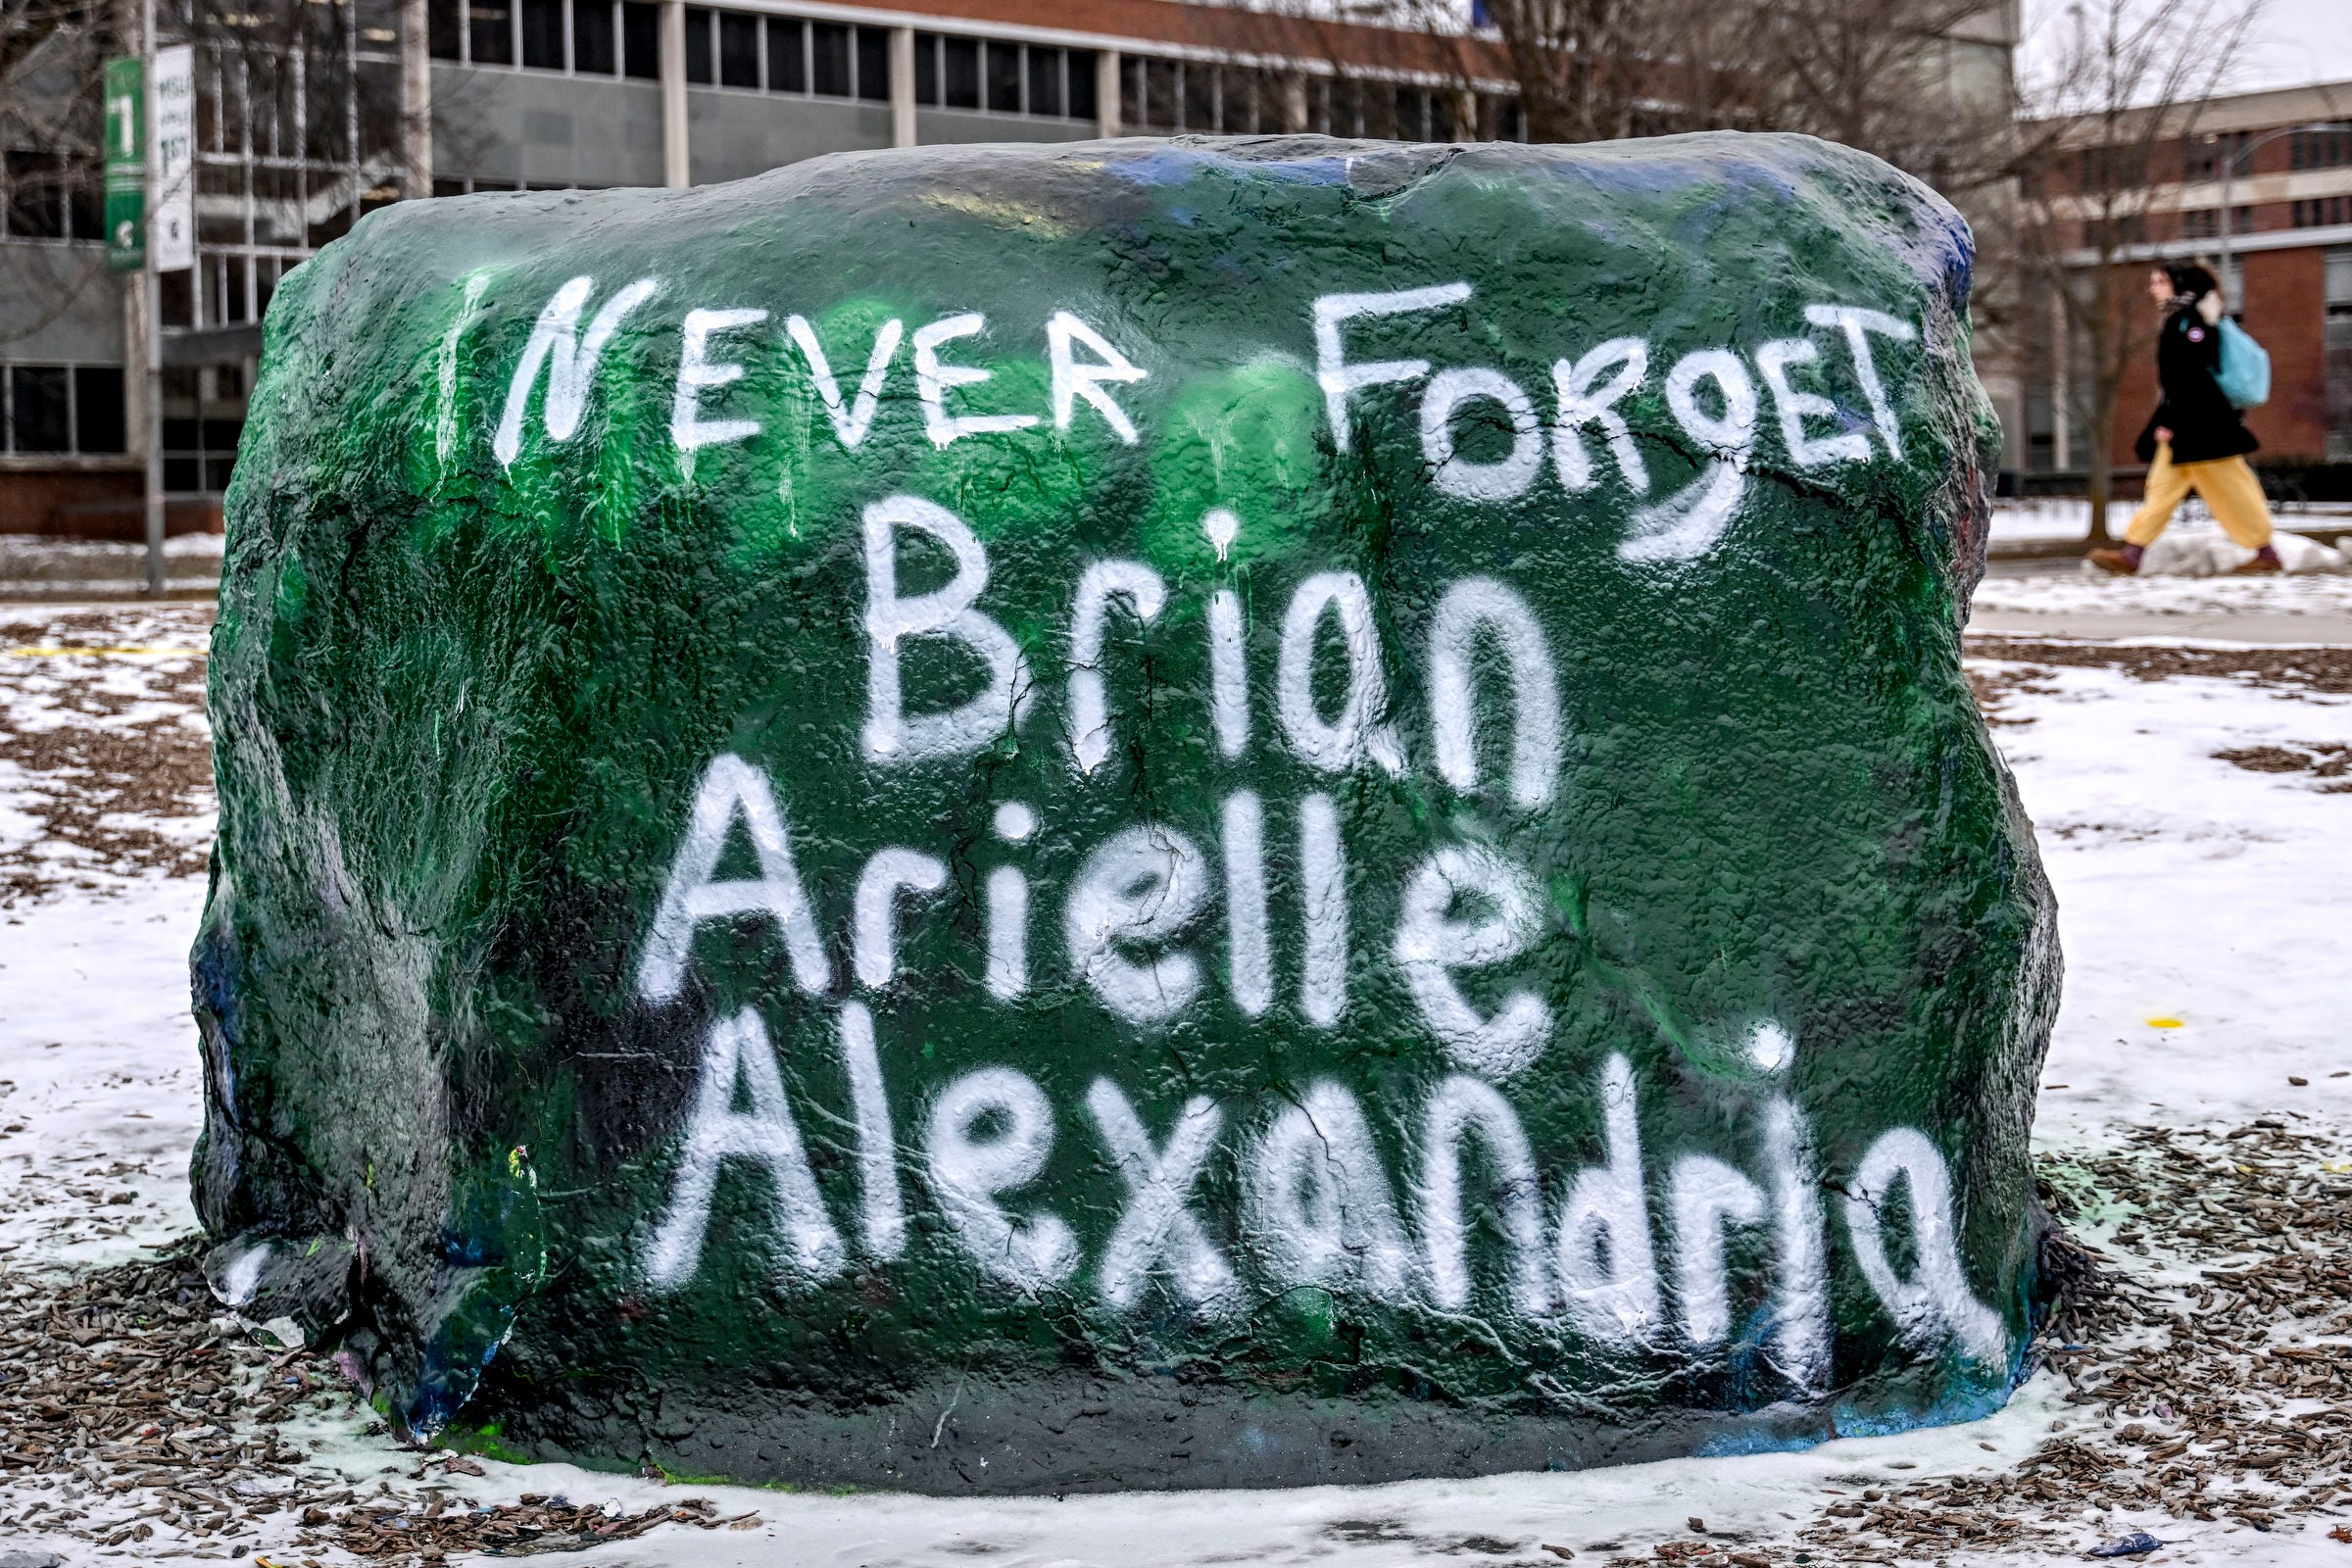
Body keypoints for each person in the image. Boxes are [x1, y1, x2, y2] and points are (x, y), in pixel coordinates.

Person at [2088, 262, 2281, 576]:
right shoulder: (2181, 321)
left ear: (2180, 286)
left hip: (2206, 430)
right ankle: (2132, 553)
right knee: (2161, 489)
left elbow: (2192, 380)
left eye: (2160, 282)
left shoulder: (2191, 323)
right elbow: (2179, 383)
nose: (2153, 288)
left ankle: (2267, 552)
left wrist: (2170, 420)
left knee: (2236, 491)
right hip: (2187, 428)